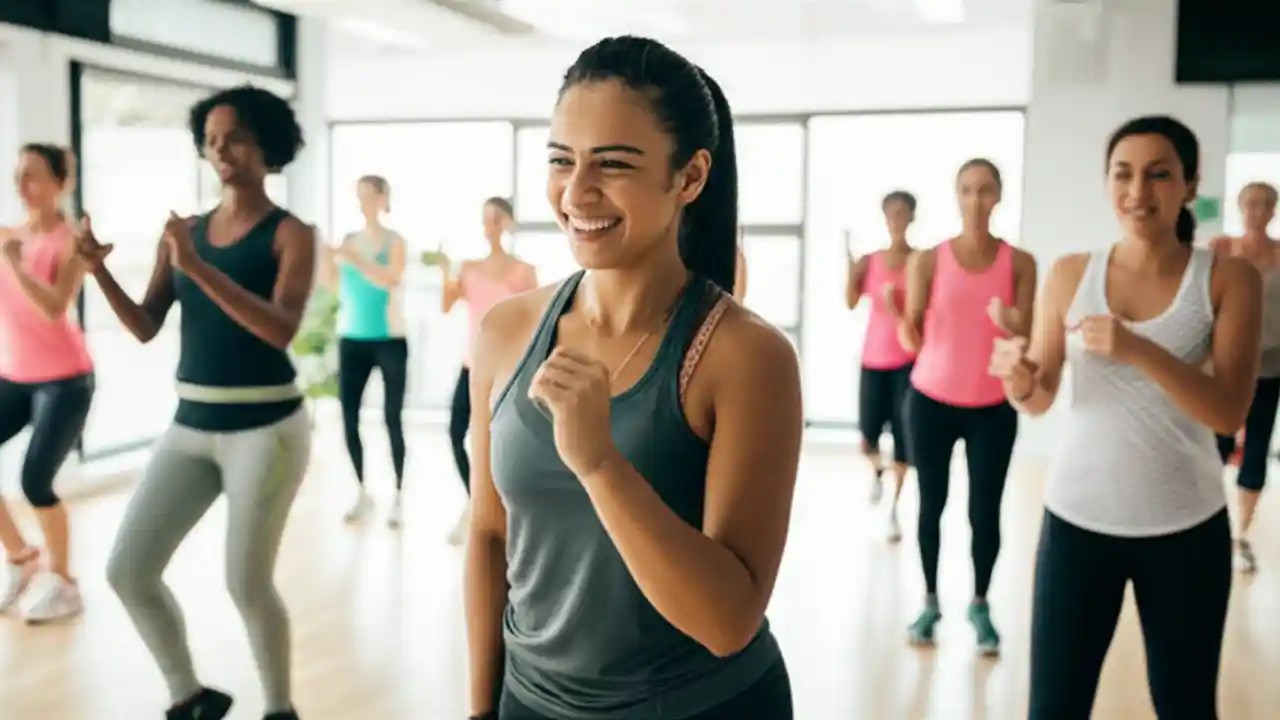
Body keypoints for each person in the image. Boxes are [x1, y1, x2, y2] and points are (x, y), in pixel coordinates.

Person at [463, 36, 802, 720]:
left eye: (612, 164)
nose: (577, 191)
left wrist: (599, 464)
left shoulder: (745, 356)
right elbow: (488, 535)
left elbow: (727, 619)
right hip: (530, 702)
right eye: (562, 160)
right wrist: (481, 709)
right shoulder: (507, 330)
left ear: (690, 177)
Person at [990, 115, 1258, 719]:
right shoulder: (1068, 273)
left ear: (1189, 185)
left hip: (1186, 528)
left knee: (1186, 706)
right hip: (1076, 523)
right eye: (1123, 174)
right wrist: (1017, 379)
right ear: (1107, 182)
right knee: (1054, 708)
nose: (1138, 191)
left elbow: (1228, 410)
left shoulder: (1226, 277)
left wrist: (1137, 347)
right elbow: (1041, 395)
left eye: (1159, 174)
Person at [81, 85, 312, 720]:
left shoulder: (291, 234)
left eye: (234, 136)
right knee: (128, 568)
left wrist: (199, 266)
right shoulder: (181, 233)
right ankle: (192, 697)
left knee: (245, 581)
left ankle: (280, 709)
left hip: (266, 428)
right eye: (211, 140)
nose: (221, 150)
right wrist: (97, 270)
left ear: (266, 143)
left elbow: (280, 327)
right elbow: (147, 324)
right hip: (191, 423)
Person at [898, 158, 1036, 655]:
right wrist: (902, 322)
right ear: (956, 196)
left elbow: (1029, 336)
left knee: (985, 511)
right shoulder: (928, 261)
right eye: (967, 190)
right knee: (931, 504)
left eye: (986, 190)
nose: (977, 200)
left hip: (992, 407)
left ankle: (980, 603)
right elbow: (911, 333)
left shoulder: (1020, 263)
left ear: (999, 196)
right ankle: (930, 600)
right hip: (931, 401)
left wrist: (1012, 319)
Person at [0, 144, 94, 623]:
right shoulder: (6, 235)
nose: (22, 186)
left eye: (34, 175)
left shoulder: (73, 240)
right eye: (18, 175)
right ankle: (22, 561)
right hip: (14, 375)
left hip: (65, 380)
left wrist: (16, 265)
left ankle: (64, 583)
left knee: (35, 480)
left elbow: (55, 306)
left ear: (62, 183)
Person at [433, 197, 537, 544]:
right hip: (471, 365)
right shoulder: (468, 267)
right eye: (485, 220)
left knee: (496, 442)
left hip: (507, 370)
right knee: (455, 433)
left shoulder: (524, 271)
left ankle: (500, 513)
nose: (489, 225)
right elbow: (446, 307)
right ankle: (476, 502)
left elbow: (533, 324)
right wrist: (445, 273)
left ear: (508, 223)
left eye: (495, 219)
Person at [327, 174, 408, 527]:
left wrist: (353, 258)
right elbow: (333, 284)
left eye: (368, 196)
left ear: (382, 198)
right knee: (348, 417)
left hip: (389, 339)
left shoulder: (395, 241)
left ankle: (398, 498)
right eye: (358, 196)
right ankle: (362, 492)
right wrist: (327, 258)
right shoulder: (348, 242)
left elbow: (390, 279)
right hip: (352, 338)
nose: (363, 203)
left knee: (391, 418)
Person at [1209, 181, 1279, 573]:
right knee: (1214, 447)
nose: (1258, 209)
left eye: (1266, 204)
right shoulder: (1223, 249)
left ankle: (1239, 536)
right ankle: (1209, 527)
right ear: (1240, 207)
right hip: (1226, 366)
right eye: (1251, 203)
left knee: (1255, 454)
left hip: (1270, 370)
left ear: (1274, 210)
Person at [845, 190, 917, 542]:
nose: (896, 219)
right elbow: (849, 301)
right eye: (891, 212)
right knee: (867, 438)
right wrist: (851, 270)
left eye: (903, 212)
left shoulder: (920, 262)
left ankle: (894, 510)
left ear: (912, 217)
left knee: (904, 441)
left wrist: (896, 309)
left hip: (908, 362)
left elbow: (923, 318)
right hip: (873, 360)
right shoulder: (870, 261)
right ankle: (878, 473)